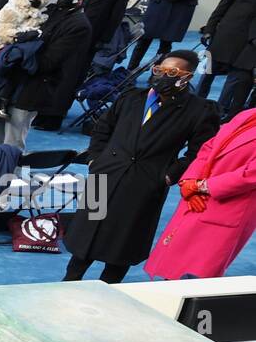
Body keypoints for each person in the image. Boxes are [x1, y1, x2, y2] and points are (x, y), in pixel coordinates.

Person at [64, 50, 219, 284]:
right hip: (105, 172)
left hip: (146, 181)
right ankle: (70, 281)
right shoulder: (131, 97)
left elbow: (199, 153)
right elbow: (103, 128)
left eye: (172, 72)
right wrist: (95, 159)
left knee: (124, 240)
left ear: (186, 77)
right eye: (160, 70)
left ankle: (109, 289)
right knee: (86, 233)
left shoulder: (199, 110)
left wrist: (168, 175)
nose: (163, 76)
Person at [146, 107, 256, 280]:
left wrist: (201, 186)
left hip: (228, 204)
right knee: (171, 269)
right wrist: (188, 181)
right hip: (197, 197)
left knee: (196, 278)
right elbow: (209, 147)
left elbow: (250, 175)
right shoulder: (247, 115)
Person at [0, 0, 92, 149]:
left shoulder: (80, 25)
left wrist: (21, 53)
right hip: (9, 78)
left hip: (33, 86)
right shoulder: (49, 11)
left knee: (13, 139)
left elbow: (49, 61)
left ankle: (9, 174)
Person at [201, 0, 256, 120]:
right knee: (208, 72)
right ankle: (198, 104)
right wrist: (210, 28)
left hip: (250, 43)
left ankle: (225, 112)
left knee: (238, 78)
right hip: (228, 34)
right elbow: (224, 4)